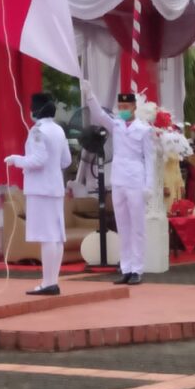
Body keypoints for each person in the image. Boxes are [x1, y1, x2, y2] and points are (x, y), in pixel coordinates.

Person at [82, 82, 154, 286]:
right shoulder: (116, 125)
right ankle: (126, 268)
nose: (122, 110)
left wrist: (149, 185)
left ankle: (137, 269)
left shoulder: (144, 130)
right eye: (120, 107)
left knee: (137, 226)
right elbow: (99, 115)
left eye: (126, 107)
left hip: (136, 180)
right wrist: (90, 95)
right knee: (122, 226)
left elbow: (150, 159)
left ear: (134, 107)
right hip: (119, 179)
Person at [4, 92, 72, 296]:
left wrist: (16, 160)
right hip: (55, 187)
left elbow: (38, 160)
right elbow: (66, 161)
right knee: (56, 237)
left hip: (40, 189)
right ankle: (52, 281)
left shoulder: (37, 131)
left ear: (35, 110)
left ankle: (48, 283)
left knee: (47, 236)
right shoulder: (59, 130)